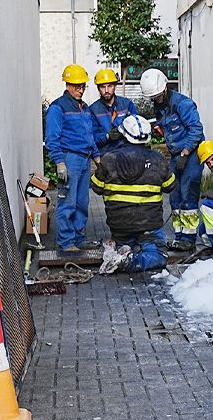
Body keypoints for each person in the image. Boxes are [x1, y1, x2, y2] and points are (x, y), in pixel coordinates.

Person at [90, 115, 176, 273]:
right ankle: (129, 261)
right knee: (159, 255)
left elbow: (96, 187)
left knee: (127, 244)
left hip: (119, 226)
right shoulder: (158, 159)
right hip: (149, 225)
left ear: (123, 134)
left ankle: (118, 249)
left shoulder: (108, 159)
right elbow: (170, 186)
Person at [139, 68, 204, 252]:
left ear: (165, 88)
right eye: (153, 97)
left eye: (158, 96)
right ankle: (179, 235)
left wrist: (185, 153)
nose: (156, 100)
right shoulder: (159, 105)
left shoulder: (183, 104)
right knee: (175, 196)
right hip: (177, 154)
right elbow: (165, 125)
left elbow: (196, 130)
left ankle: (189, 238)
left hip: (190, 154)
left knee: (188, 194)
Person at [45, 64, 101, 252]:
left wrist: (97, 158)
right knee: (67, 202)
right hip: (69, 159)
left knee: (82, 203)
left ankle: (78, 239)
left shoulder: (83, 108)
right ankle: (66, 242)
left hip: (84, 159)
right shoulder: (57, 107)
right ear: (67, 85)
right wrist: (59, 162)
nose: (80, 89)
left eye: (83, 86)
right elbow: (52, 138)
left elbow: (89, 135)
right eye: (77, 86)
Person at [89, 68, 137, 156]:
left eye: (109, 86)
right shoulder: (93, 110)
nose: (106, 90)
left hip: (128, 153)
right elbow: (91, 138)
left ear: (115, 86)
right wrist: (107, 136)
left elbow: (136, 127)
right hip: (106, 156)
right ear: (98, 88)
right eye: (103, 87)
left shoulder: (127, 104)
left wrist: (125, 132)